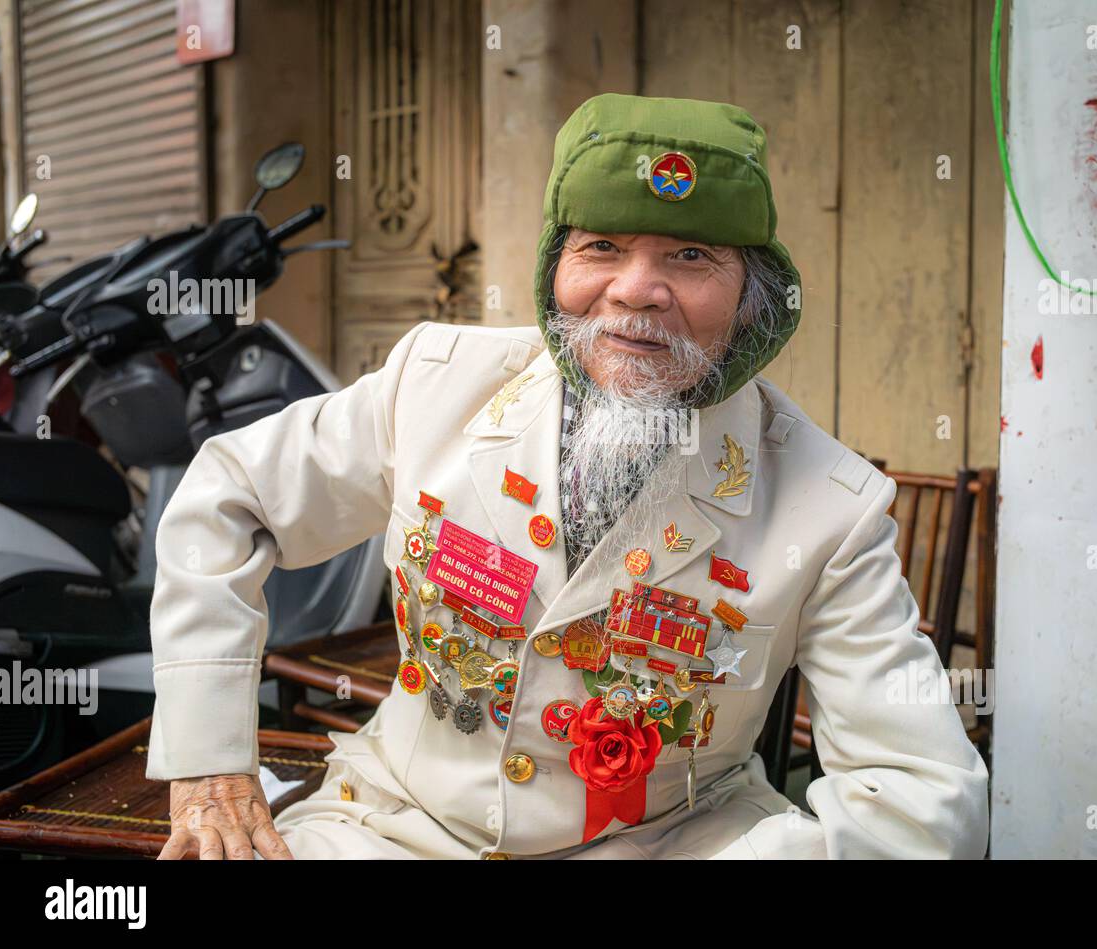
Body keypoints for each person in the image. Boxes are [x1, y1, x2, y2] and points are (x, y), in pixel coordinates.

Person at [148, 93, 989, 860]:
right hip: (392, 826)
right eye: (603, 247)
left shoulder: (829, 504)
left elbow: (926, 802)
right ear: (557, 266)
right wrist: (211, 758)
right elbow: (227, 500)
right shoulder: (435, 380)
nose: (637, 291)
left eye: (691, 255)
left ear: (753, 299)